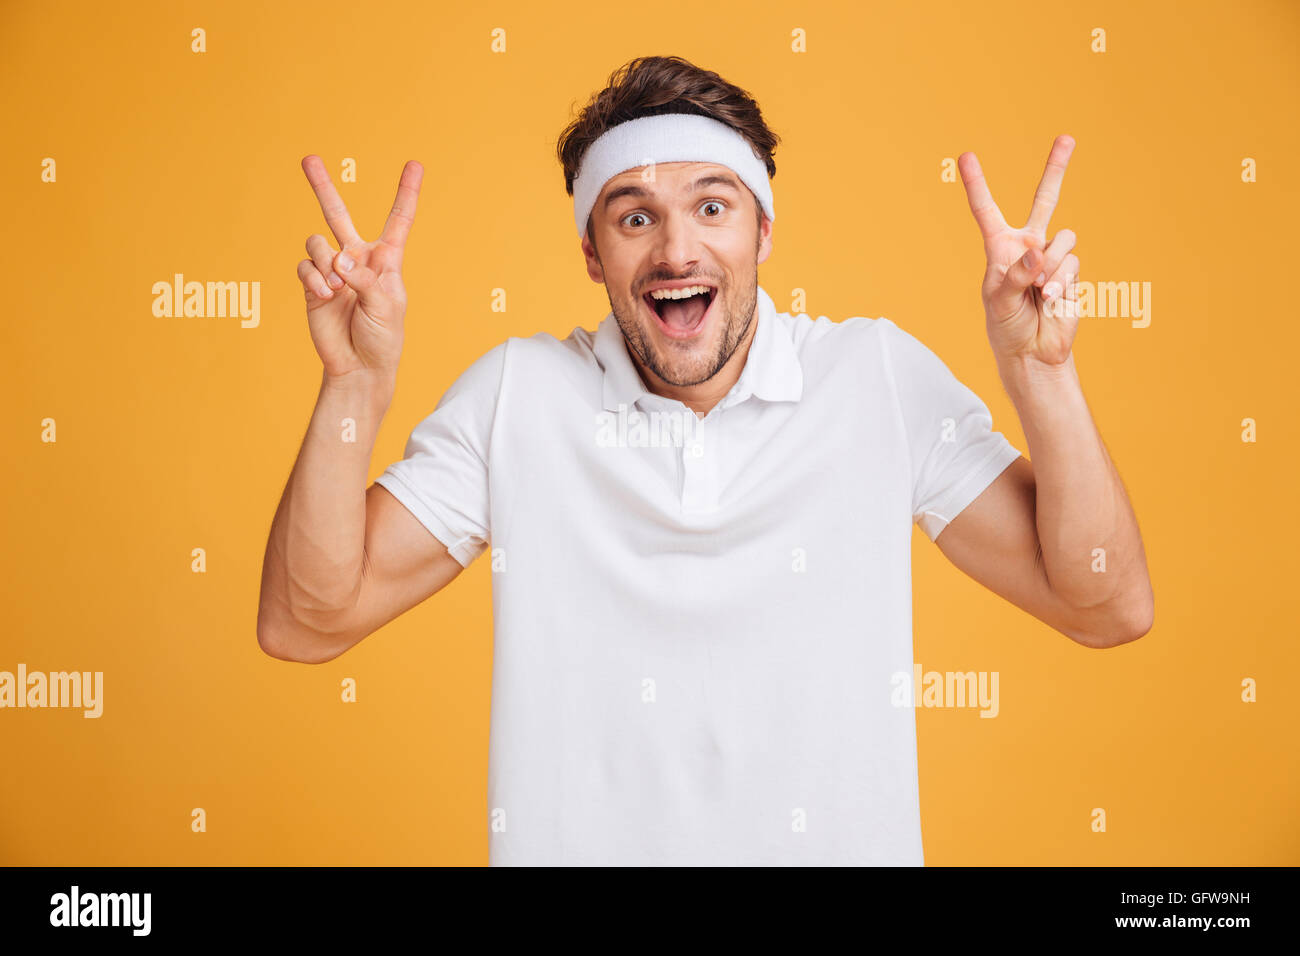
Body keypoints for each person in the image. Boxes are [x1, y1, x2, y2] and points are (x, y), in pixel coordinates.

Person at [257, 55, 1153, 865]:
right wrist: (354, 385)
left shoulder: (875, 377)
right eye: (635, 217)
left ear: (763, 233)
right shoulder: (517, 398)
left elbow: (1105, 604)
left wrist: (1043, 376)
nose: (677, 250)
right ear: (591, 253)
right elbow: (306, 621)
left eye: (712, 207)